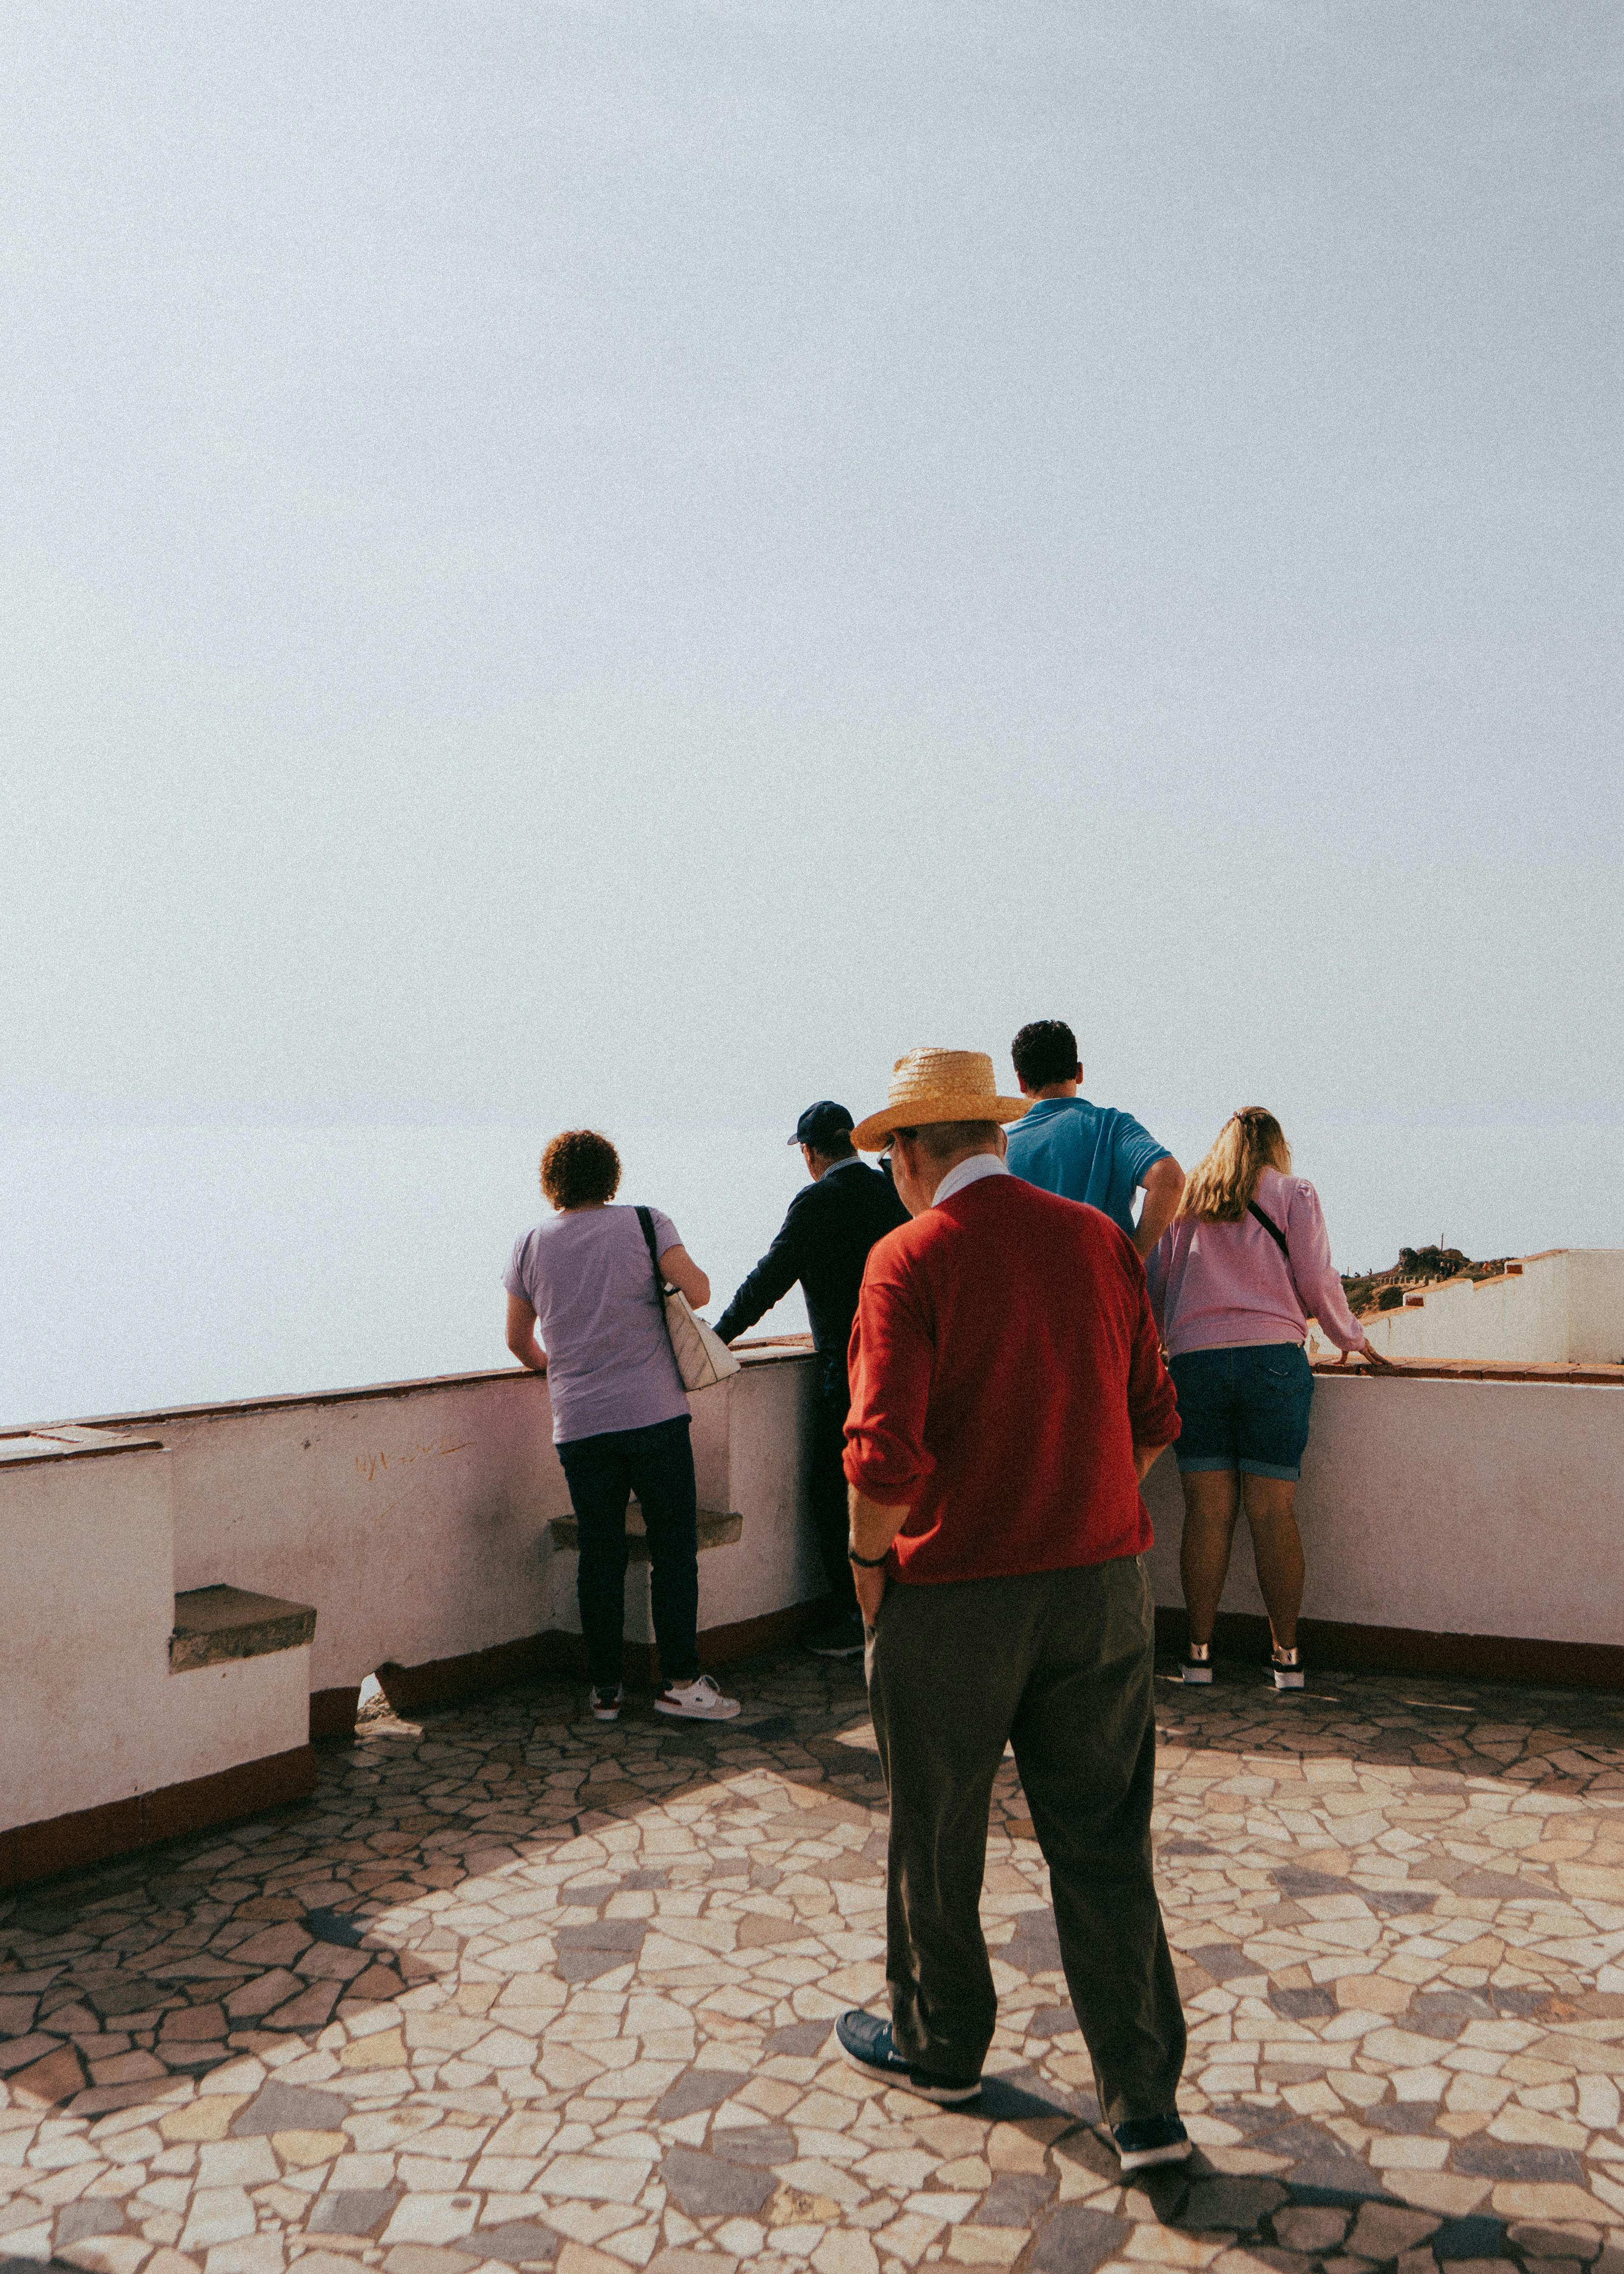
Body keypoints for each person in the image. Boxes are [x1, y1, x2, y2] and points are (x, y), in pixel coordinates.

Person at [834, 1049, 1190, 2177]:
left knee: (934, 1833)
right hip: (1100, 1592)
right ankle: (1142, 2105)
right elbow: (1153, 1416)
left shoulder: (908, 1257)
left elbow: (883, 1456)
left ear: (909, 1152)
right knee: (1102, 1842)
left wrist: (864, 1566)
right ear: (987, 1133)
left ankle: (941, 2045)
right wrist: (1078, 1511)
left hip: (954, 1601)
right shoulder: (1095, 1238)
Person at [1145, 1107, 1400, 1691]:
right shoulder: (1294, 1193)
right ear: (1275, 1146)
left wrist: (1160, 1346)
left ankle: (1198, 1656)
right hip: (1272, 1362)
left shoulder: (1188, 1204)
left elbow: (1156, 1286)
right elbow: (1317, 1278)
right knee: (1272, 1512)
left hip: (1196, 1363)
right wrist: (1351, 1338)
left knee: (1206, 1514)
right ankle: (1287, 1659)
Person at [503, 1128, 740, 1725]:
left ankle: (605, 1688)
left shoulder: (530, 1242)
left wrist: (556, 1371)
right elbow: (701, 1288)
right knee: (673, 1549)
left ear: (552, 1179)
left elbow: (516, 1339)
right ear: (611, 1173)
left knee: (599, 1555)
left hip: (580, 1422)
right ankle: (680, 1680)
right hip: (655, 1413)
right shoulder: (645, 1222)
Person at [713, 1102, 908, 1659]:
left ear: (810, 1151)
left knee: (834, 1489)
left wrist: (718, 1335)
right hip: (905, 1359)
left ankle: (855, 1616)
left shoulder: (817, 1199)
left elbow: (769, 1277)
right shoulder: (891, 1190)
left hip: (845, 1368)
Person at [1004, 1018, 1185, 1258]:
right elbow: (1170, 1179)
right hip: (1105, 1288)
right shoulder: (1111, 1126)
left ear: (1021, 1081)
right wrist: (1135, 1258)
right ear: (1079, 1072)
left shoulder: (1000, 1144)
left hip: (1024, 1292)